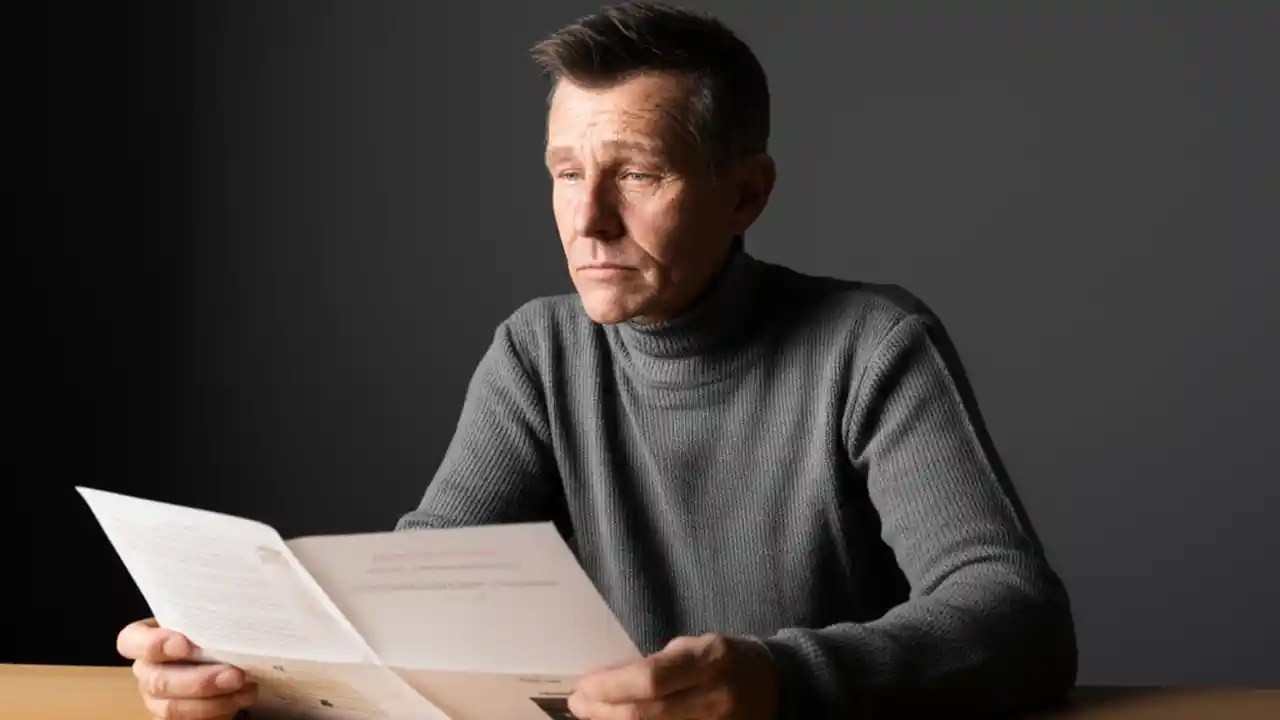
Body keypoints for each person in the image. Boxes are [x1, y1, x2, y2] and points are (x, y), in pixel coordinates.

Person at [116, 2, 1078, 718]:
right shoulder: (538, 353)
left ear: (746, 195)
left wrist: (777, 679)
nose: (588, 221)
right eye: (566, 174)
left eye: (638, 173)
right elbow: (418, 590)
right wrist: (238, 670)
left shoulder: (870, 346)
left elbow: (1016, 614)